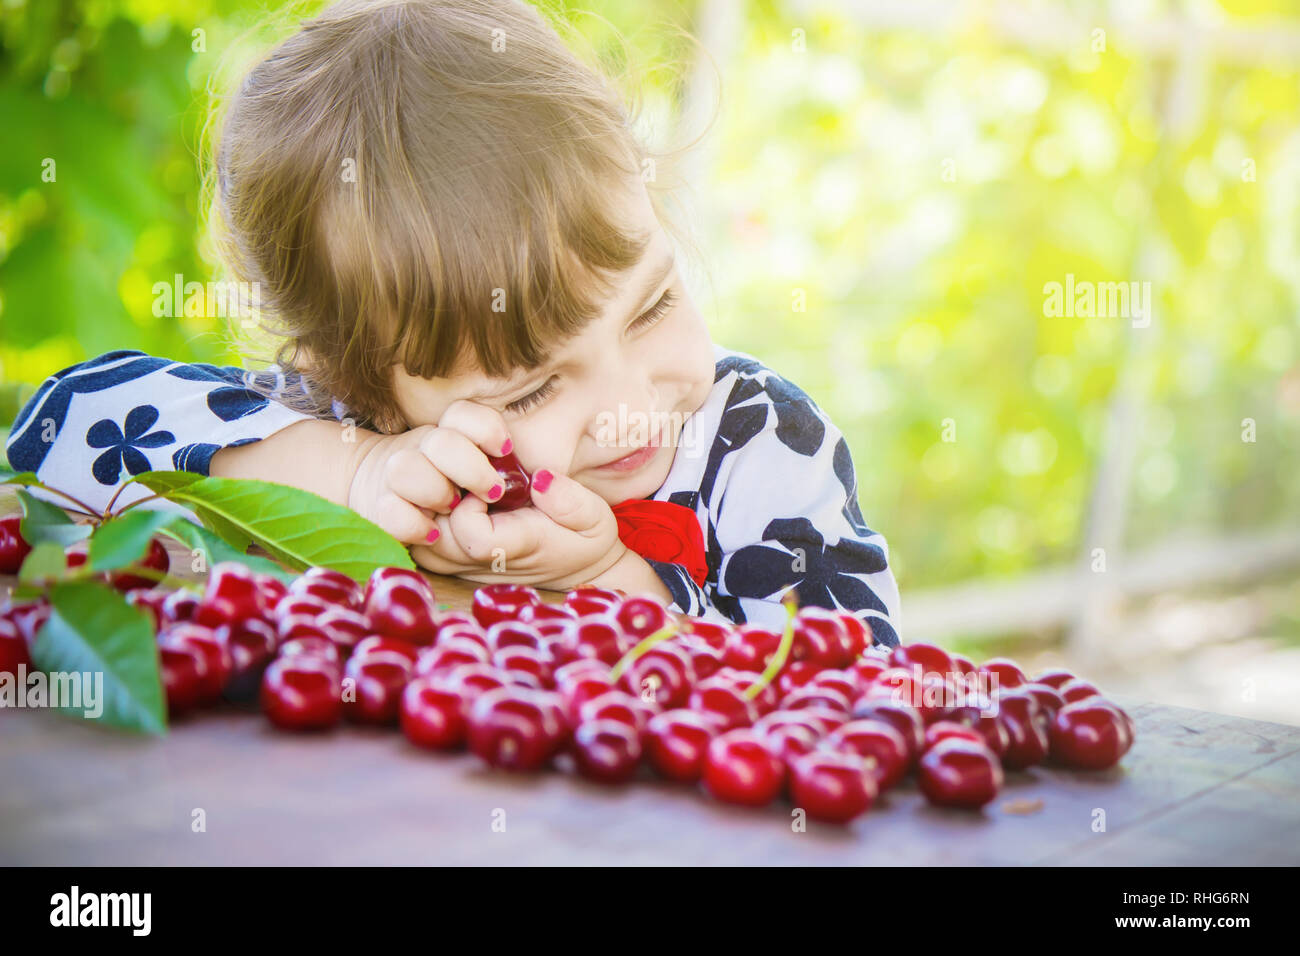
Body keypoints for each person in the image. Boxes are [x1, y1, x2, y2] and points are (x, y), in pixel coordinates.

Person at [5, 0, 901, 644]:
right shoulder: (350, 430)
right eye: (536, 387)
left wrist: (610, 588)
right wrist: (355, 479)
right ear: (363, 385)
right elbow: (60, 433)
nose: (631, 402)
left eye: (653, 306)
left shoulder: (759, 446)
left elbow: (854, 710)